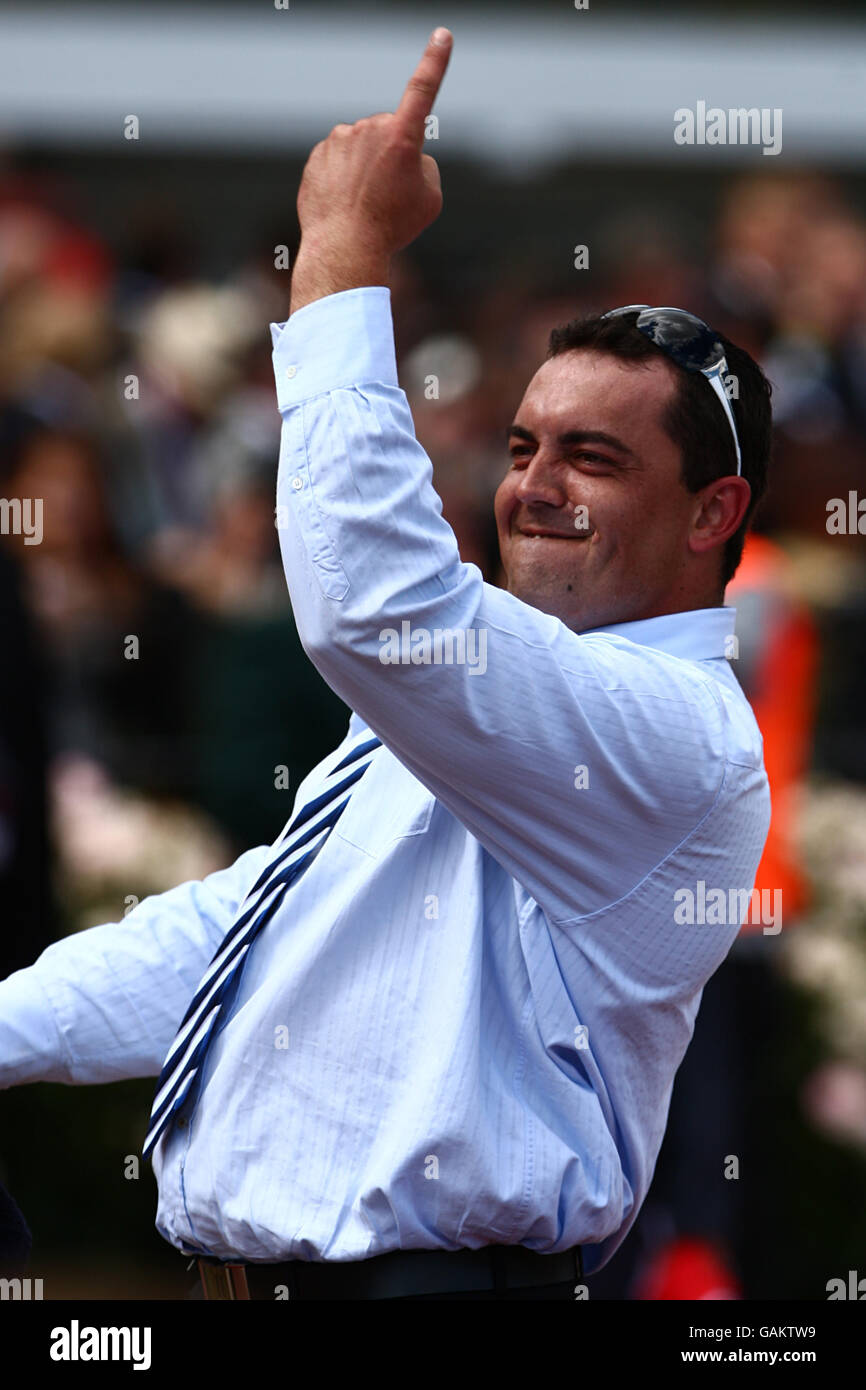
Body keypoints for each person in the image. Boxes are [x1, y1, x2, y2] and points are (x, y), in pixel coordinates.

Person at [0, 29, 772, 1301]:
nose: (531, 484)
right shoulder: (494, 684)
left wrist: (341, 254)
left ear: (710, 513)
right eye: (522, 443)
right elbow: (252, 933)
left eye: (593, 455)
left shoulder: (680, 735)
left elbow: (367, 608)